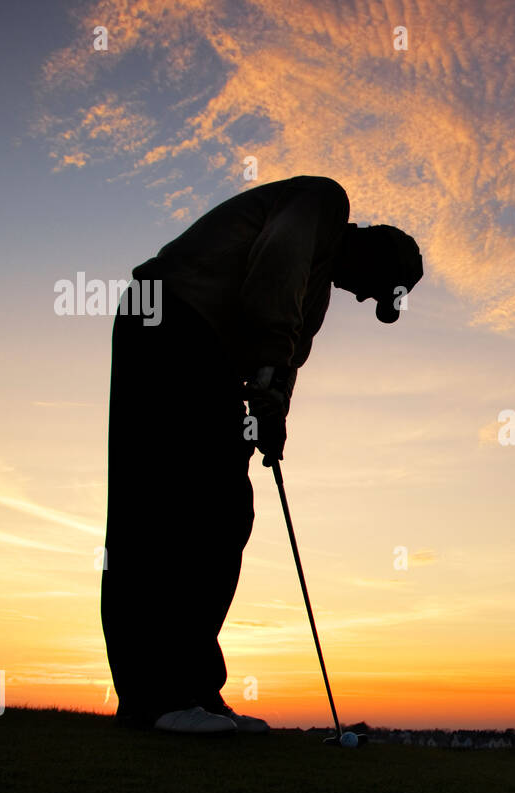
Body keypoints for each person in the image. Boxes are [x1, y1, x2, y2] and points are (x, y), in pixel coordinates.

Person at [101, 174, 423, 734]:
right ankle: (154, 698)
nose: (366, 296)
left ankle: (195, 690)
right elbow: (274, 274)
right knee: (160, 504)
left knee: (224, 513)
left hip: (210, 355)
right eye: (377, 287)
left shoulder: (317, 294)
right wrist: (267, 391)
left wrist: (272, 417)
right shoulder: (323, 201)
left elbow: (286, 359)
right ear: (372, 248)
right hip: (169, 320)